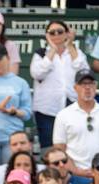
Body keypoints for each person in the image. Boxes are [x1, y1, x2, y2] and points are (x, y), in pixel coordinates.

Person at [30, 20, 87, 153]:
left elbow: (83, 72)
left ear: (67, 33)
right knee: (49, 149)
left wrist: (71, 46)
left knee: (73, 147)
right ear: (47, 35)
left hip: (72, 106)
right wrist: (52, 51)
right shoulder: (41, 53)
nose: (56, 35)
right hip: (47, 110)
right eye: (52, 32)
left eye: (60, 32)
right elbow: (37, 73)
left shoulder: (76, 52)